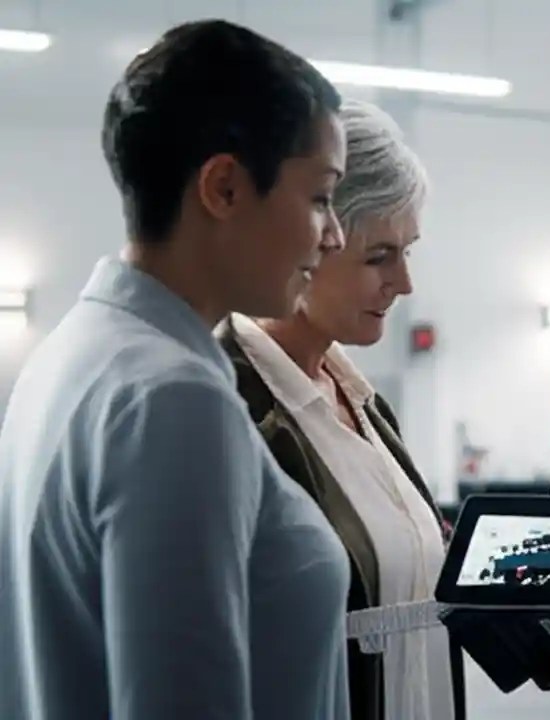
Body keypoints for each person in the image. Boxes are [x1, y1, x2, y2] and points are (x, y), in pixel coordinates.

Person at [0, 20, 352, 720]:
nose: (334, 234)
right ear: (223, 188)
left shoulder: (72, 354)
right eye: (319, 197)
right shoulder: (174, 398)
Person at [214, 99, 461, 720]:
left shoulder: (364, 405)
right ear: (307, 239)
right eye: (379, 256)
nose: (403, 283)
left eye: (409, 251)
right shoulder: (224, 408)